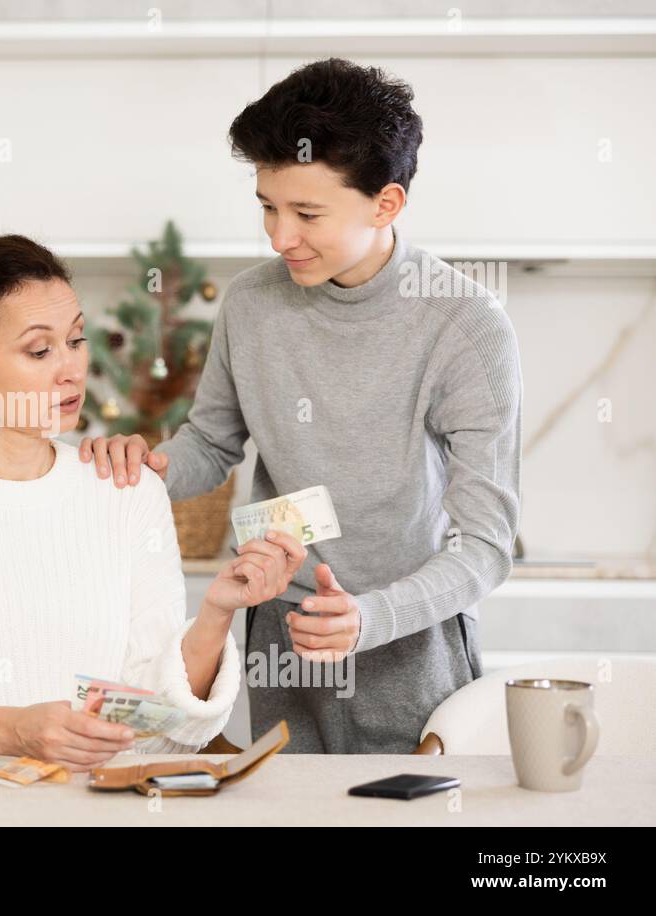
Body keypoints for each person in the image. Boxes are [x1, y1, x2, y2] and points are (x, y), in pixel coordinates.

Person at [81, 58, 523, 753]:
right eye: (267, 206)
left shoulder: (465, 324)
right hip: (278, 630)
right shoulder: (253, 304)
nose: (279, 236)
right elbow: (212, 443)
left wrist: (369, 618)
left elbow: (488, 544)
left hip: (407, 636)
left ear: (387, 203)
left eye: (306, 213)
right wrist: (146, 466)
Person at [0, 234, 305, 769]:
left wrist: (216, 613)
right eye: (40, 350)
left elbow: (159, 731)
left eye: (77, 339)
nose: (71, 369)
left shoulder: (125, 491)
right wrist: (12, 731)